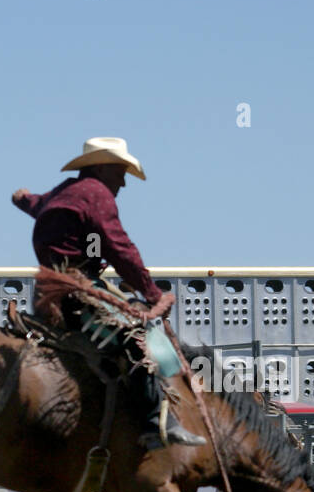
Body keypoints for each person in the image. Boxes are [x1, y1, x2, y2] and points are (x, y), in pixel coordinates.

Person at [11, 137, 203, 449]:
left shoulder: (67, 191)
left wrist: (21, 199)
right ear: (101, 167)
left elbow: (38, 204)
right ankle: (155, 422)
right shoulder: (96, 194)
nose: (123, 183)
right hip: (76, 292)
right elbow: (120, 249)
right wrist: (154, 295)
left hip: (53, 293)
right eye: (120, 172)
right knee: (134, 336)